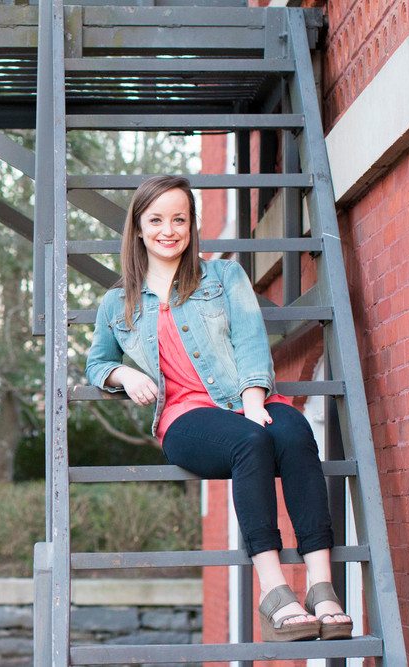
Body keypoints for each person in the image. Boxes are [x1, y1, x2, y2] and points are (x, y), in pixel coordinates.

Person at [84, 175, 353, 642]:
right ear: (138, 227)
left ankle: (321, 586)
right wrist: (124, 375)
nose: (169, 229)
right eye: (157, 219)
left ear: (191, 225)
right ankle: (274, 591)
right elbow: (97, 362)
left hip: (246, 397)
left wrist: (252, 398)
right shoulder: (117, 302)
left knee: (292, 433)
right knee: (250, 441)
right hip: (184, 419)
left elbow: (251, 337)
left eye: (179, 219)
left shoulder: (224, 276)